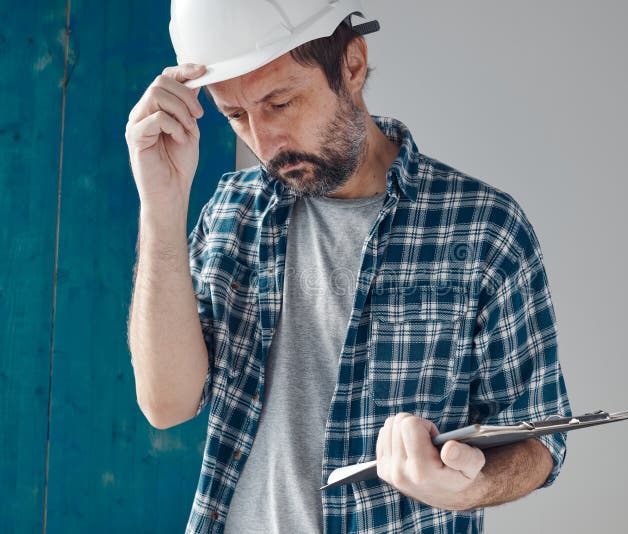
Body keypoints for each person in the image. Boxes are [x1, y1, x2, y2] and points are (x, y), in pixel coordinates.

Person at [125, 1, 571, 532]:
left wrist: (466, 487)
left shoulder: (483, 228)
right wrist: (162, 205)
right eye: (237, 116)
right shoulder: (229, 212)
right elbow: (166, 405)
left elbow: (541, 441)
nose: (264, 144)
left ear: (352, 65)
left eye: (281, 102)